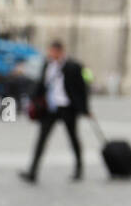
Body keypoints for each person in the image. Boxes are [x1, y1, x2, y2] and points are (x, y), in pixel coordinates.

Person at [19, 40, 89, 183]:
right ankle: (33, 172)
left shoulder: (73, 66)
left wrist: (85, 109)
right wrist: (32, 99)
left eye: (52, 52)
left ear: (60, 52)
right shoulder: (47, 65)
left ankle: (79, 168)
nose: (50, 54)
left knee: (73, 138)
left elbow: (82, 89)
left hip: (67, 108)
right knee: (41, 139)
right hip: (50, 108)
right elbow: (41, 85)